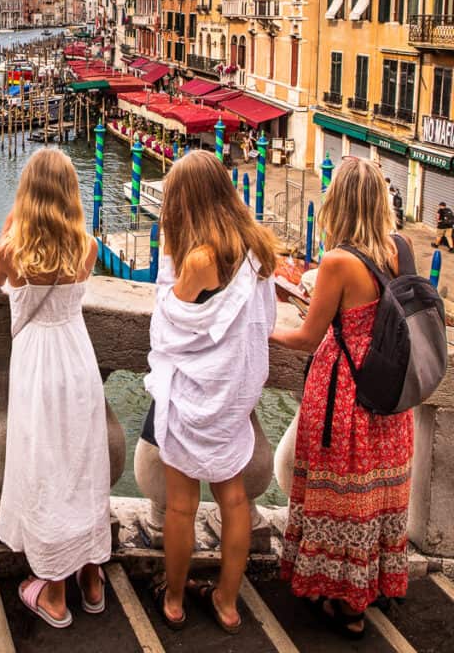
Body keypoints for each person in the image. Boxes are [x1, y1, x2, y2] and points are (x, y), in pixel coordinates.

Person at [272, 157, 414, 640]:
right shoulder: (402, 248)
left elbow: (309, 337)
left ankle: (342, 603)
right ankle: (369, 586)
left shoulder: (338, 262)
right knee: (374, 497)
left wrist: (266, 332)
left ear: (340, 203)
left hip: (346, 396)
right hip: (391, 399)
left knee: (340, 499)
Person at [143, 150, 277, 633]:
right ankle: (227, 602)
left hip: (196, 397)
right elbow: (264, 319)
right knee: (234, 499)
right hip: (233, 396)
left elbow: (171, 324)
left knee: (181, 505)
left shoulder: (199, 259)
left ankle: (175, 600)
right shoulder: (256, 247)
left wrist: (167, 260)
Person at [0, 149, 110, 629]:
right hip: (78, 362)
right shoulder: (89, 247)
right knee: (84, 467)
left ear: (28, 195)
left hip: (38, 367)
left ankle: (55, 595)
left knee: (49, 472)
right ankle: (93, 578)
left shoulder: (12, 250)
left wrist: (11, 222)